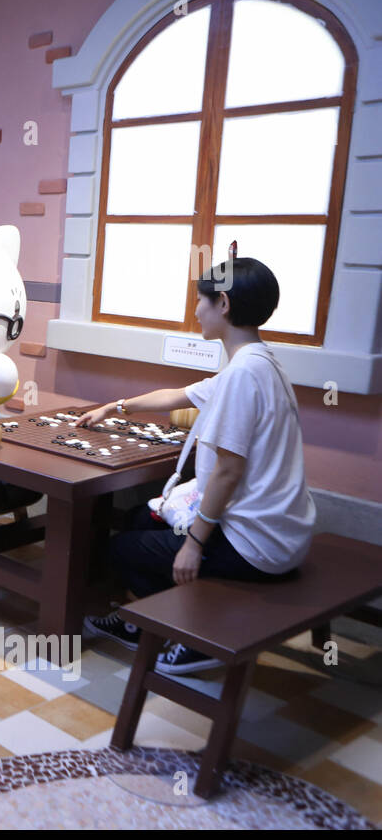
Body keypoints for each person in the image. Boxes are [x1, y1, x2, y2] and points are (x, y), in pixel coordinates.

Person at [80, 257, 314, 675]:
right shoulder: (259, 362)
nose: (195, 312)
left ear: (222, 303)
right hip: (280, 531)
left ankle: (200, 636)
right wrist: (113, 408)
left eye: (200, 301)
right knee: (139, 518)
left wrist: (195, 544)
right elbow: (178, 395)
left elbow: (228, 471)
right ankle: (143, 622)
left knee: (120, 549)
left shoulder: (244, 374)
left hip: (257, 546)